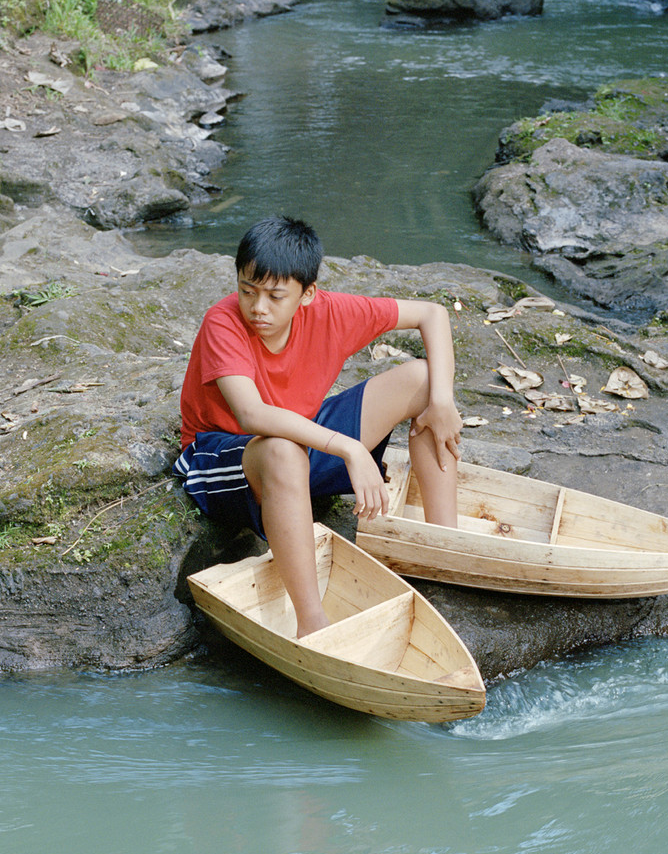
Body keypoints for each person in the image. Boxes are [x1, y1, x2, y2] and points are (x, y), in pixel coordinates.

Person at [175, 216, 462, 638]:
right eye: (247, 291)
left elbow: (432, 315)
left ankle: (446, 548)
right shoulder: (223, 322)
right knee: (281, 450)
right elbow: (252, 416)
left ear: (307, 293)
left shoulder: (331, 311)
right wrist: (350, 449)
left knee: (421, 379)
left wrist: (442, 400)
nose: (258, 308)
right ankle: (312, 624)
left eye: (275, 296)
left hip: (300, 441)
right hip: (223, 459)